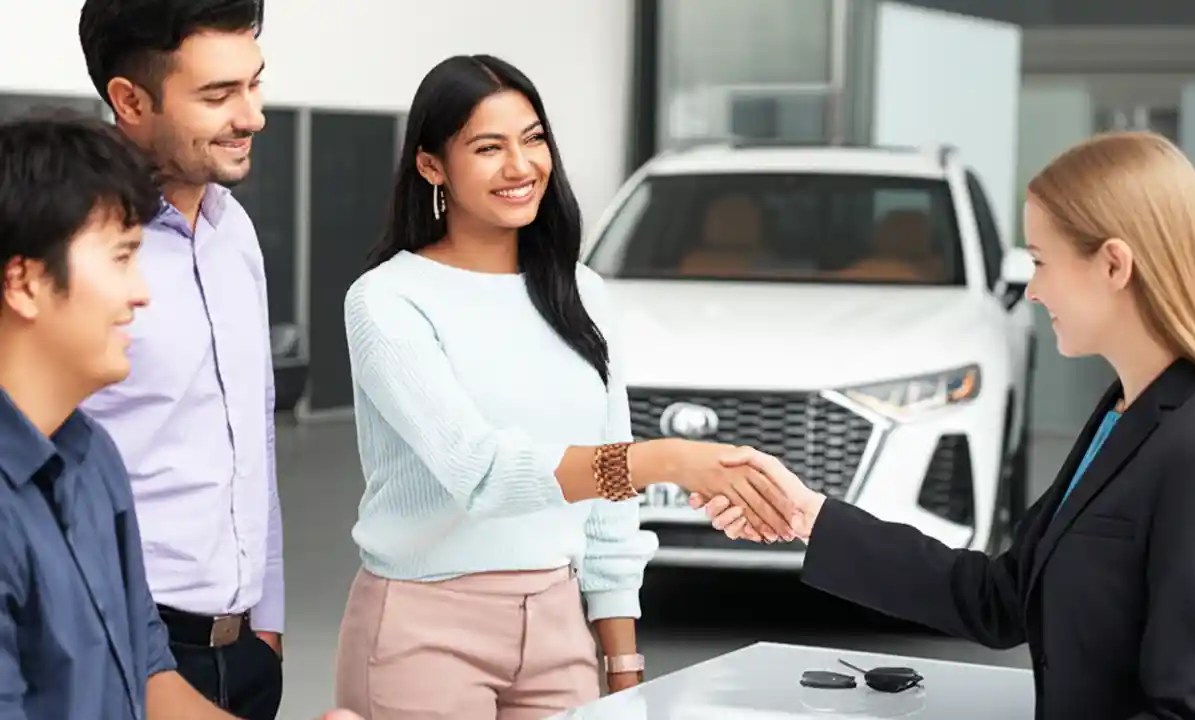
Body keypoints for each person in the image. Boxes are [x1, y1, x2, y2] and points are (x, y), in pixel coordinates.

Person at [692, 131, 1195, 720]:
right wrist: (808, 514)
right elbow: (998, 597)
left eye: (1042, 262)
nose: (1032, 289)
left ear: (1113, 264)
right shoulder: (1122, 413)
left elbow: (1189, 713)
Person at [332, 54, 796, 720]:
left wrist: (623, 664)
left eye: (533, 138)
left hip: (558, 623)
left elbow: (611, 514)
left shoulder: (583, 295)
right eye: (488, 147)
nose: (521, 166)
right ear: (432, 166)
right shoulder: (387, 301)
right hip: (422, 630)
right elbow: (482, 473)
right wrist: (664, 459)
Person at [0, 115, 364, 720]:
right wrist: (586, 471)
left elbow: (149, 679)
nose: (141, 293)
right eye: (121, 259)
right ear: (25, 281)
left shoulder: (92, 462)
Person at [77, 2, 284, 717]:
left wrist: (269, 617)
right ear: (129, 100)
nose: (252, 115)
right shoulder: (70, 243)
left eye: (254, 84)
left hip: (247, 646)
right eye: (218, 95)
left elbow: (253, 430)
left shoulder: (236, 231)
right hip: (123, 642)